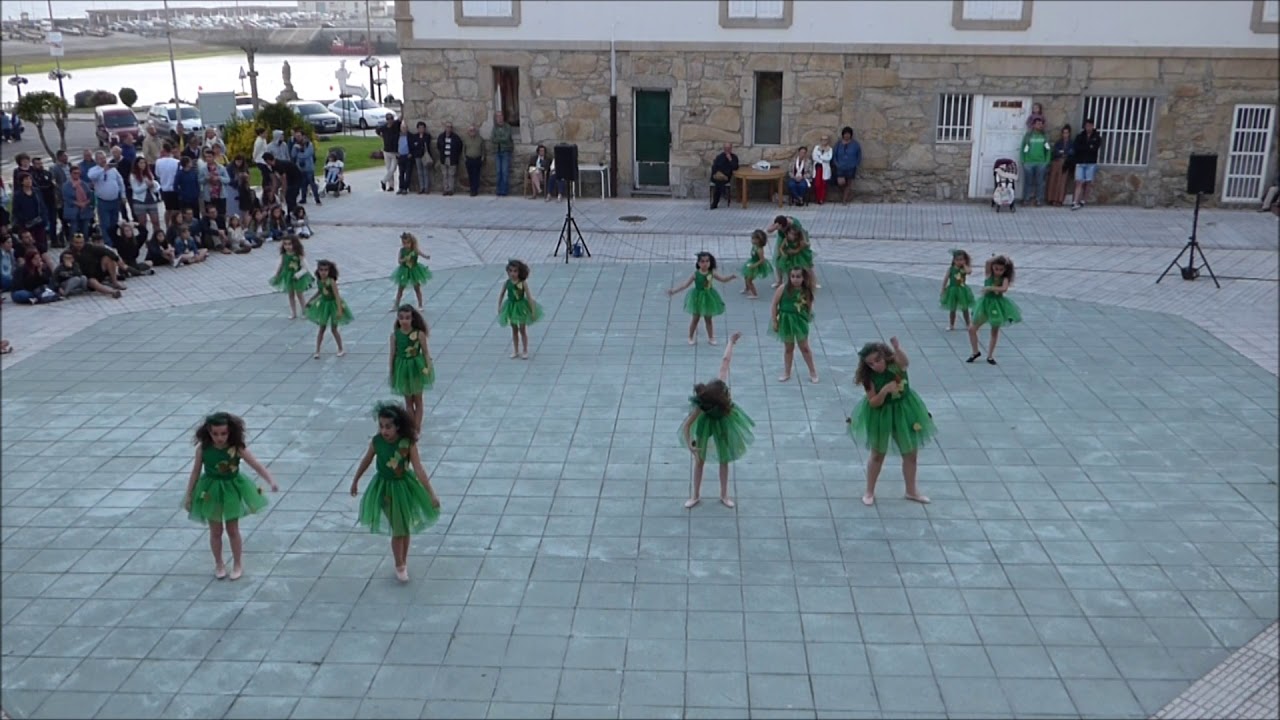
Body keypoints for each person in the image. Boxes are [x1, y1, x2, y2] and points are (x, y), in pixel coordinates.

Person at [349, 402, 441, 583]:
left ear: (398, 426)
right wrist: (355, 480)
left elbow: (419, 469)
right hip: (384, 489)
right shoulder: (377, 442)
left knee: (404, 527)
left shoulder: (407, 444)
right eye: (381, 426)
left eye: (388, 427)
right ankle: (399, 564)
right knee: (398, 528)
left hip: (404, 487)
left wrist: (431, 493)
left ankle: (403, 562)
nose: (384, 431)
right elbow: (366, 460)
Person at [184, 412, 279, 581]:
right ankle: (219, 563)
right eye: (215, 434)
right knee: (215, 531)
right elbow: (195, 472)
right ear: (208, 432)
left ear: (230, 432)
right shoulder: (203, 449)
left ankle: (237, 563)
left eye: (223, 433)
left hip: (232, 488)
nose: (219, 438)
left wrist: (270, 480)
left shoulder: (236, 448)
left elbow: (255, 464)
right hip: (210, 490)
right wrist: (189, 494)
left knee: (233, 529)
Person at [849, 338, 935, 506]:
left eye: (878, 360)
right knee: (877, 454)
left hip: (905, 410)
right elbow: (873, 402)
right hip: (882, 414)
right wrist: (884, 391)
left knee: (910, 453)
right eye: (871, 364)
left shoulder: (896, 365)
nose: (876, 365)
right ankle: (869, 491)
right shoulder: (869, 378)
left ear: (885, 356)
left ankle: (911, 491)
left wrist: (898, 348)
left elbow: (905, 362)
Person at [680, 332, 751, 509]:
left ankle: (724, 494)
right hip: (707, 425)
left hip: (724, 423)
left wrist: (730, 343)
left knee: (724, 459)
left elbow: (725, 362)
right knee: (699, 461)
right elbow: (687, 425)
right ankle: (695, 495)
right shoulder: (702, 405)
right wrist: (690, 445)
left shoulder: (721, 387)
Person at [667, 251, 737, 346]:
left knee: (708, 319)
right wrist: (674, 290)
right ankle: (690, 336)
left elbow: (723, 279)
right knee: (695, 319)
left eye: (707, 261)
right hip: (697, 298)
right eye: (703, 261)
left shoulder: (712, 273)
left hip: (709, 297)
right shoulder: (695, 274)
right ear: (698, 263)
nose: (705, 263)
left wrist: (731, 277)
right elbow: (685, 285)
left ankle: (711, 337)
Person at [966, 255, 1021, 364]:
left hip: (997, 305)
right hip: (985, 304)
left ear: (1005, 270)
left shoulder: (1004, 278)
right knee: (972, 328)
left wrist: (990, 288)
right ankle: (975, 351)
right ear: (992, 267)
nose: (998, 271)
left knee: (994, 331)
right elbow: (988, 262)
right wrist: (999, 257)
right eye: (996, 268)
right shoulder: (989, 274)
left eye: (1001, 269)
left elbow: (1004, 289)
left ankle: (990, 355)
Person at [388, 305, 435, 432]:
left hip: (416, 367)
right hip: (402, 369)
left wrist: (428, 366)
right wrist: (392, 372)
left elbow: (425, 352)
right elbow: (392, 355)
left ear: (412, 319)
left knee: (418, 400)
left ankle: (417, 427)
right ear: (397, 319)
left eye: (407, 318)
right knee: (408, 401)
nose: (404, 321)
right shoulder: (395, 336)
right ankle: (412, 427)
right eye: (401, 318)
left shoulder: (419, 334)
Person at [770, 267, 819, 383]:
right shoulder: (783, 288)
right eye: (793, 276)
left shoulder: (806, 291)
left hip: (799, 321)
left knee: (805, 347)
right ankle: (787, 372)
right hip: (786, 320)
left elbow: (809, 305)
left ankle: (813, 371)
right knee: (788, 348)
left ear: (803, 278)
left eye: (798, 276)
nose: (795, 279)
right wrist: (774, 321)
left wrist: (807, 315)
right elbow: (774, 304)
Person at [304, 259, 352, 358]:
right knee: (322, 328)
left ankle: (340, 348)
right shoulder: (319, 281)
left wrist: (339, 310)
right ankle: (317, 350)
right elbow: (319, 292)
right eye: (321, 270)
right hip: (324, 304)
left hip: (333, 305)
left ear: (329, 271)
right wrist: (310, 300)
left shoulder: (331, 282)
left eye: (326, 270)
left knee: (334, 329)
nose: (323, 272)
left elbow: (337, 296)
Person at [496, 259, 541, 359]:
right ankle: (516, 350)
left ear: (519, 272)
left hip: (520, 307)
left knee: (522, 329)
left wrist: (532, 310)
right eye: (510, 271)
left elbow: (529, 297)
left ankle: (525, 350)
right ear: (507, 272)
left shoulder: (522, 283)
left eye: (515, 271)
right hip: (511, 307)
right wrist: (499, 306)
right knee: (514, 329)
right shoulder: (507, 283)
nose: (513, 273)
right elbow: (502, 295)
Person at [269, 235, 314, 319]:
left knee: (299, 294)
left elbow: (305, 266)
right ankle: (293, 312)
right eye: (285, 244)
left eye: (289, 244)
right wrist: (277, 274)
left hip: (297, 276)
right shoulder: (284, 254)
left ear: (295, 244)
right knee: (290, 295)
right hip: (288, 276)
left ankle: (304, 311)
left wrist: (298, 274)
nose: (287, 246)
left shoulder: (298, 254)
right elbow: (282, 264)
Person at [53, 249, 121, 299]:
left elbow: (79, 274)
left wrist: (72, 268)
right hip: (65, 284)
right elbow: (55, 279)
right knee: (76, 279)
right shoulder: (60, 268)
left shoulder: (75, 265)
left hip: (77, 284)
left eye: (70, 258)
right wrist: (59, 288)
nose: (68, 260)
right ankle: (65, 293)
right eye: (66, 258)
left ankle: (82, 291)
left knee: (83, 278)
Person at [392, 231, 432, 310]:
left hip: (414, 270)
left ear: (411, 242)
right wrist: (404, 259)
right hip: (404, 270)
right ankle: (396, 305)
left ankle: (420, 305)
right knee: (400, 288)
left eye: (408, 243)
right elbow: (399, 261)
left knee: (417, 288)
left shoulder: (414, 250)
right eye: (404, 243)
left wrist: (426, 256)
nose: (406, 245)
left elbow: (421, 254)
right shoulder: (402, 250)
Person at [776, 226, 821, 290]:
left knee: (807, 269)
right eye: (791, 234)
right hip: (790, 257)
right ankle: (787, 282)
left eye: (795, 234)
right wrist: (783, 253)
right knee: (787, 269)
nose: (793, 236)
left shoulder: (799, 240)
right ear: (787, 233)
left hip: (799, 256)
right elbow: (781, 248)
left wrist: (794, 251)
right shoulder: (786, 239)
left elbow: (800, 248)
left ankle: (813, 282)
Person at [940, 249, 975, 331]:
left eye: (961, 259)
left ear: (965, 260)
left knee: (965, 308)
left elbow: (969, 272)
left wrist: (965, 265)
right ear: (954, 260)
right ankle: (951, 325)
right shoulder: (951, 269)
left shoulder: (963, 269)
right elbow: (946, 279)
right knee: (952, 308)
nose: (959, 262)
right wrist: (943, 289)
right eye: (957, 260)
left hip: (962, 290)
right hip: (952, 290)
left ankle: (968, 324)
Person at [1071, 119, 1103, 210]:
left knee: (1088, 182)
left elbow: (1095, 148)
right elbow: (1077, 147)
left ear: (1093, 126)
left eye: (1090, 125)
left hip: (1091, 162)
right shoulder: (1080, 136)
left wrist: (1087, 147)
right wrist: (1088, 147)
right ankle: (1075, 201)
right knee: (1079, 182)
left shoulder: (1096, 137)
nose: (1088, 127)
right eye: (1087, 125)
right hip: (1080, 162)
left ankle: (1083, 200)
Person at [1020, 117, 1052, 206]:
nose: (1040, 125)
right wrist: (1023, 160)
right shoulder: (1028, 136)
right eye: (1038, 123)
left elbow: (1048, 149)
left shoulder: (1044, 136)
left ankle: (1038, 200)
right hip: (1029, 163)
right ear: (1033, 125)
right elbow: (1023, 148)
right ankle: (1026, 199)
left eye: (1041, 124)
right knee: (1028, 182)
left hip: (1041, 163)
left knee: (1040, 182)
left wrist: (1046, 161)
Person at [128, 157, 163, 234]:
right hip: (139, 201)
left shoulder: (149, 174)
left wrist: (153, 185)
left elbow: (155, 186)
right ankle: (145, 240)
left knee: (156, 221)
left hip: (151, 200)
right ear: (137, 164)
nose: (143, 165)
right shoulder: (133, 176)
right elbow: (136, 190)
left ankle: (158, 238)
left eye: (144, 163)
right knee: (143, 223)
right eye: (141, 163)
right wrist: (146, 185)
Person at [61, 165, 95, 242]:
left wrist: (86, 203)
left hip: (85, 210)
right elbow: (66, 198)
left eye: (78, 173)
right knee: (74, 230)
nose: (77, 175)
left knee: (85, 231)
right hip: (73, 211)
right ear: (71, 174)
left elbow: (90, 195)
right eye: (75, 173)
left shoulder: (84, 184)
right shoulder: (66, 185)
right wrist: (78, 203)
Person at [832, 126, 862, 204]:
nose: (846, 136)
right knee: (840, 183)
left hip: (851, 167)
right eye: (845, 134)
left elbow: (859, 155)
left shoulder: (855, 144)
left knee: (848, 183)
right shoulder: (838, 144)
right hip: (840, 167)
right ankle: (846, 195)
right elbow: (834, 155)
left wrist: (855, 164)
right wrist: (836, 164)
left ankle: (844, 199)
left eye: (848, 134)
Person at [1047, 124, 1075, 207]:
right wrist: (1062, 153)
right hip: (1057, 162)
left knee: (1062, 182)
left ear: (1069, 133)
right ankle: (1051, 199)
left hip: (1065, 164)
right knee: (1053, 181)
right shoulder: (1058, 142)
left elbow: (1071, 153)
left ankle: (1059, 200)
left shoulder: (1071, 143)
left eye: (1066, 133)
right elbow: (1055, 152)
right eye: (1063, 133)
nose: (1065, 135)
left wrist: (1063, 153)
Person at [740, 229, 772, 299]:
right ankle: (747, 288)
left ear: (759, 240)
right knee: (746, 276)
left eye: (754, 239)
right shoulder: (755, 246)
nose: (752, 240)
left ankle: (755, 294)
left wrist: (754, 265)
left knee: (749, 280)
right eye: (752, 239)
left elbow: (762, 260)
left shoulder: (759, 249)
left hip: (756, 265)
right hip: (752, 262)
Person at [377, 113, 402, 192]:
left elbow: (401, 117)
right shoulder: (383, 127)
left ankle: (383, 181)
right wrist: (381, 136)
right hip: (386, 151)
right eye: (388, 119)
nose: (390, 121)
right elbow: (377, 131)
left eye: (391, 119)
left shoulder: (396, 125)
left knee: (393, 169)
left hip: (394, 151)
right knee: (388, 169)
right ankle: (391, 186)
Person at [491, 111, 514, 197]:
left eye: (500, 116)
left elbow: (506, 138)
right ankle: (498, 190)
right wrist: (500, 139)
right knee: (498, 171)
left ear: (503, 117)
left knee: (504, 171)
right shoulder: (495, 128)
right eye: (497, 117)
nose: (499, 118)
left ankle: (504, 190)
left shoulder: (507, 127)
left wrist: (499, 139)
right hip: (497, 151)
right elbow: (493, 139)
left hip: (505, 151)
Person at [709, 143, 739, 210]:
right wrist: (716, 173)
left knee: (719, 183)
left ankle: (715, 203)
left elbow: (735, 167)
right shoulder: (719, 157)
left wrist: (730, 159)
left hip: (726, 177)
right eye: (726, 148)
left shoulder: (734, 157)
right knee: (718, 182)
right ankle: (717, 199)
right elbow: (714, 167)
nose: (727, 150)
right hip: (717, 176)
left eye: (728, 148)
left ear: (731, 149)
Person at [437, 122, 462, 196]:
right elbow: (438, 146)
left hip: (452, 158)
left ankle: (451, 189)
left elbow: (459, 146)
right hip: (444, 158)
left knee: (451, 174)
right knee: (444, 174)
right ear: (445, 128)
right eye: (447, 127)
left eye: (450, 127)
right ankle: (445, 189)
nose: (448, 128)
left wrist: (456, 154)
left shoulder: (455, 137)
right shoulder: (441, 136)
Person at [408, 122, 433, 194]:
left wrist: (419, 142)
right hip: (417, 156)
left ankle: (426, 188)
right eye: (420, 128)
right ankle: (421, 187)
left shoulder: (427, 136)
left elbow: (424, 145)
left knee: (425, 172)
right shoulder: (415, 136)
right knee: (419, 172)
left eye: (422, 128)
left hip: (424, 156)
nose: (421, 129)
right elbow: (414, 146)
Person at [463, 124, 485, 197]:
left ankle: (475, 190)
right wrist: (464, 158)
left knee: (476, 175)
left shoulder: (480, 139)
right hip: (469, 159)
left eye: (473, 130)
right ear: (468, 131)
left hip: (477, 159)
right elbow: (463, 149)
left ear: (476, 131)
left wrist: (482, 158)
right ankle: (471, 189)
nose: (472, 131)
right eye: (470, 130)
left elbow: (483, 150)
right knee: (470, 175)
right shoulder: (465, 139)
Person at [811, 135, 834, 205]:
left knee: (824, 184)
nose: (824, 141)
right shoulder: (816, 148)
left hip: (825, 169)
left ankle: (821, 199)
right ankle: (817, 198)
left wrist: (820, 157)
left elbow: (829, 158)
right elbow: (814, 157)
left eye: (826, 140)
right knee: (817, 184)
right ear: (820, 140)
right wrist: (822, 159)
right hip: (818, 168)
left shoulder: (830, 149)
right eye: (823, 139)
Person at [396, 124, 413, 195]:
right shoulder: (398, 136)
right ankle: (401, 187)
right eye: (402, 128)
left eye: (405, 128)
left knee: (408, 173)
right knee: (401, 173)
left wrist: (411, 153)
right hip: (400, 156)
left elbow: (413, 145)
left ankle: (405, 188)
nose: (404, 129)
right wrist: (397, 153)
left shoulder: (410, 136)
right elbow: (396, 144)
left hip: (407, 156)